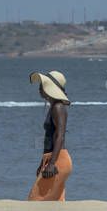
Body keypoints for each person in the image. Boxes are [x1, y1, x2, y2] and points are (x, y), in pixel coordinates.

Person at [28, 71, 72, 201]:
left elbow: (60, 135)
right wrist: (43, 162)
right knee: (54, 203)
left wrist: (52, 164)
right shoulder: (54, 106)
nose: (39, 89)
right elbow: (50, 138)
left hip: (58, 160)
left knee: (35, 200)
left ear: (50, 88)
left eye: (42, 86)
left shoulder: (58, 107)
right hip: (53, 159)